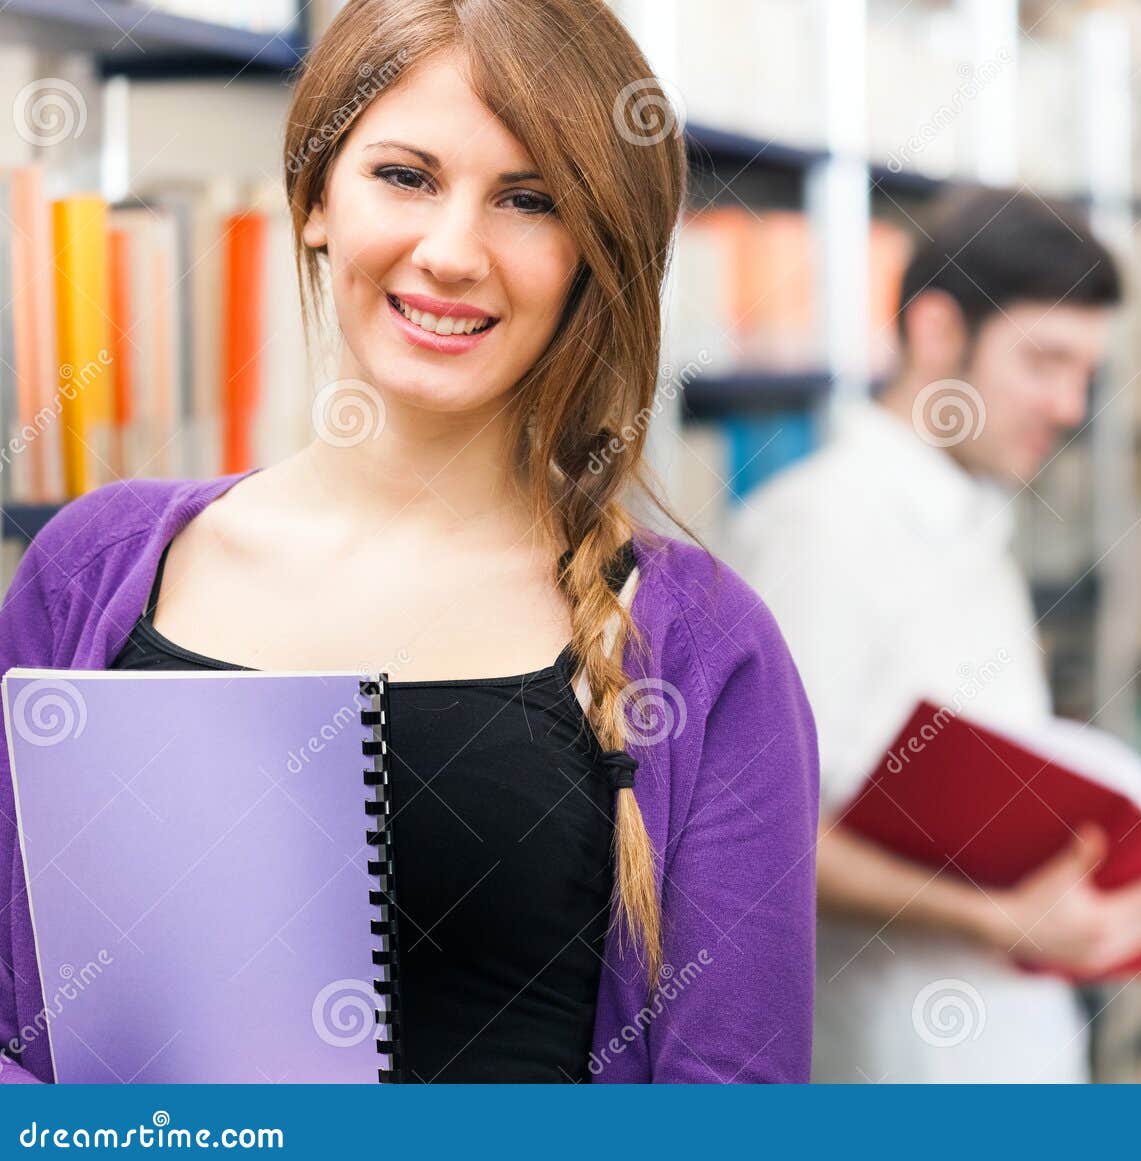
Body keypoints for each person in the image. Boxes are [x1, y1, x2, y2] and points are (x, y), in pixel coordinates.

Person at [0, 0, 818, 1085]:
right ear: (315, 199)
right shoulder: (90, 568)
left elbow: (733, 1110)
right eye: (405, 176)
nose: (451, 253)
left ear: (593, 251)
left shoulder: (705, 642)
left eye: (529, 200)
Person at [723, 188, 1141, 1083]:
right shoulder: (818, 531)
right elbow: (760, 832)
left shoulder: (974, 519)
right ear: (937, 331)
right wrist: (998, 921)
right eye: (1044, 362)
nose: (1069, 406)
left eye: (1086, 374)